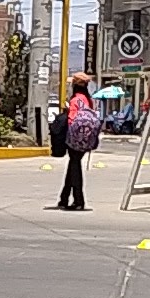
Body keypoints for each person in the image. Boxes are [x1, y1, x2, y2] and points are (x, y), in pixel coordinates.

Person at [57, 73, 98, 211]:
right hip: (87, 140)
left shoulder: (75, 100)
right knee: (73, 166)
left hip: (74, 139)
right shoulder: (88, 100)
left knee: (75, 167)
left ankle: (79, 200)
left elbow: (71, 120)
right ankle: (64, 198)